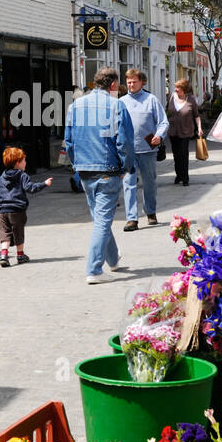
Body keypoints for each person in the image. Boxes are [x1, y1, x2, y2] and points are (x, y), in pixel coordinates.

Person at [63, 66, 135, 285]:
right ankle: (94, 269)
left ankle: (112, 259)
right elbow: (124, 142)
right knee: (102, 220)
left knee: (99, 217)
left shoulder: (76, 106)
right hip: (107, 170)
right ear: (113, 85)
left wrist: (77, 165)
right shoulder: (116, 105)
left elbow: (69, 141)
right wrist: (127, 168)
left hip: (85, 170)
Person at [119, 68, 169, 230]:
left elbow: (163, 122)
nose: (131, 85)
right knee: (129, 184)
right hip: (128, 151)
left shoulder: (151, 100)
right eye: (128, 82)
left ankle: (150, 212)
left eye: (134, 82)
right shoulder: (121, 102)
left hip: (148, 149)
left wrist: (159, 136)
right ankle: (132, 218)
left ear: (142, 82)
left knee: (149, 183)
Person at [0, 146, 52, 266]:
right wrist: (44, 184)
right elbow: (31, 188)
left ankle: (4, 255)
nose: (26, 162)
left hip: (3, 210)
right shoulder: (22, 176)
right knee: (18, 231)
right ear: (17, 163)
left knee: (5, 232)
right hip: (17, 210)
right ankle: (20, 255)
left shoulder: (1, 178)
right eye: (24, 160)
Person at [166, 78, 202, 187]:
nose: (176, 90)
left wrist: (199, 128)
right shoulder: (172, 96)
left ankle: (185, 178)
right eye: (176, 87)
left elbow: (196, 115)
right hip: (173, 131)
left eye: (179, 88)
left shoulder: (191, 99)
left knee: (184, 154)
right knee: (176, 155)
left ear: (185, 89)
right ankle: (179, 175)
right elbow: (168, 111)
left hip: (186, 131)